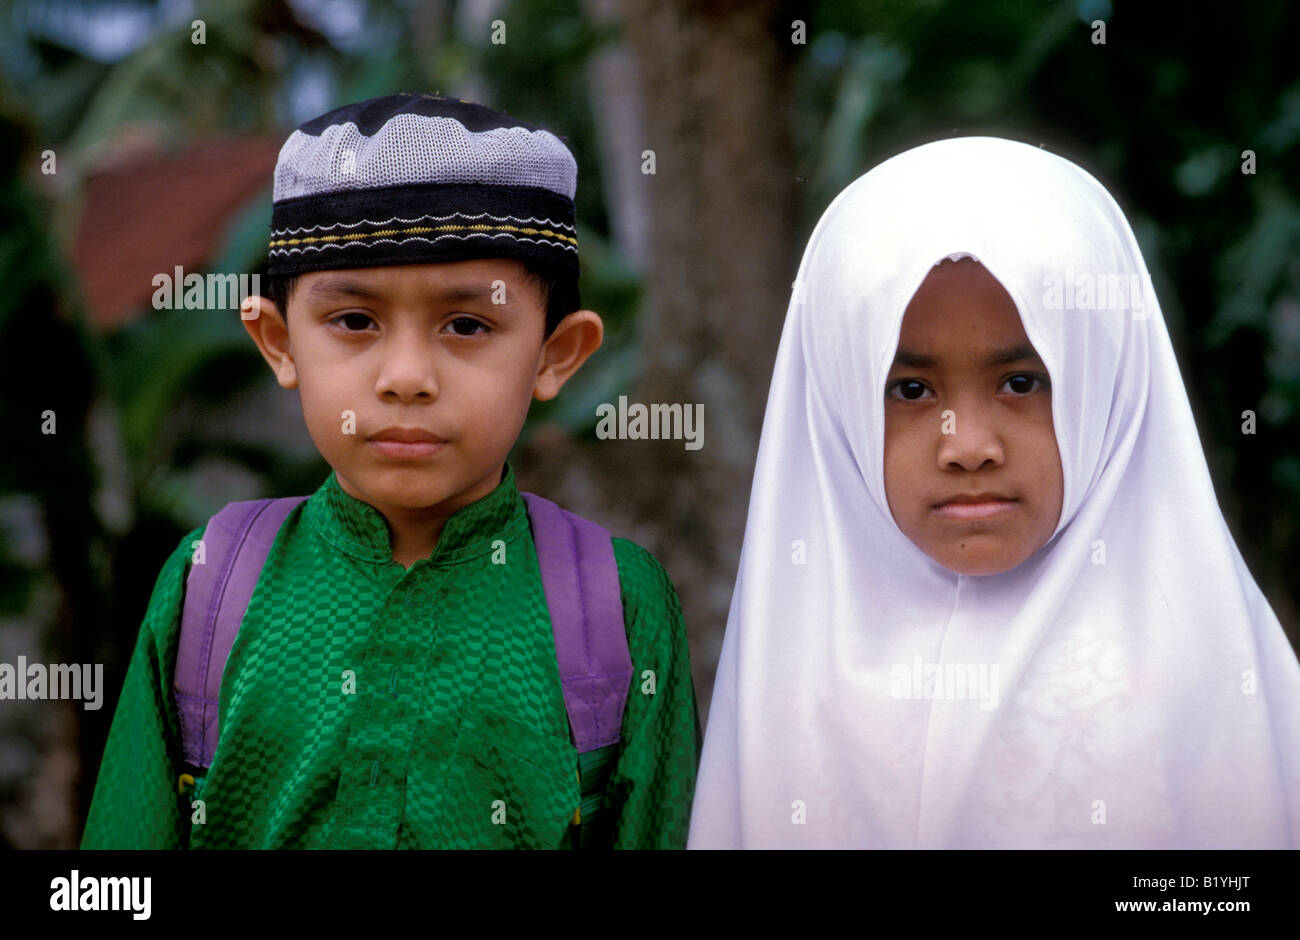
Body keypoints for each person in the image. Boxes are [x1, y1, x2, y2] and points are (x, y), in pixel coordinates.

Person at [81, 94, 699, 849]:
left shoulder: (615, 603)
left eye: (467, 325)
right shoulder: (213, 582)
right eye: (354, 321)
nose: (406, 377)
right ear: (278, 342)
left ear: (555, 355)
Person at [687, 135, 1300, 849]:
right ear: (836, 401)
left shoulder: (1206, 686)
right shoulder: (787, 685)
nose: (969, 445)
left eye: (1022, 382)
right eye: (911, 390)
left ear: (1108, 378)